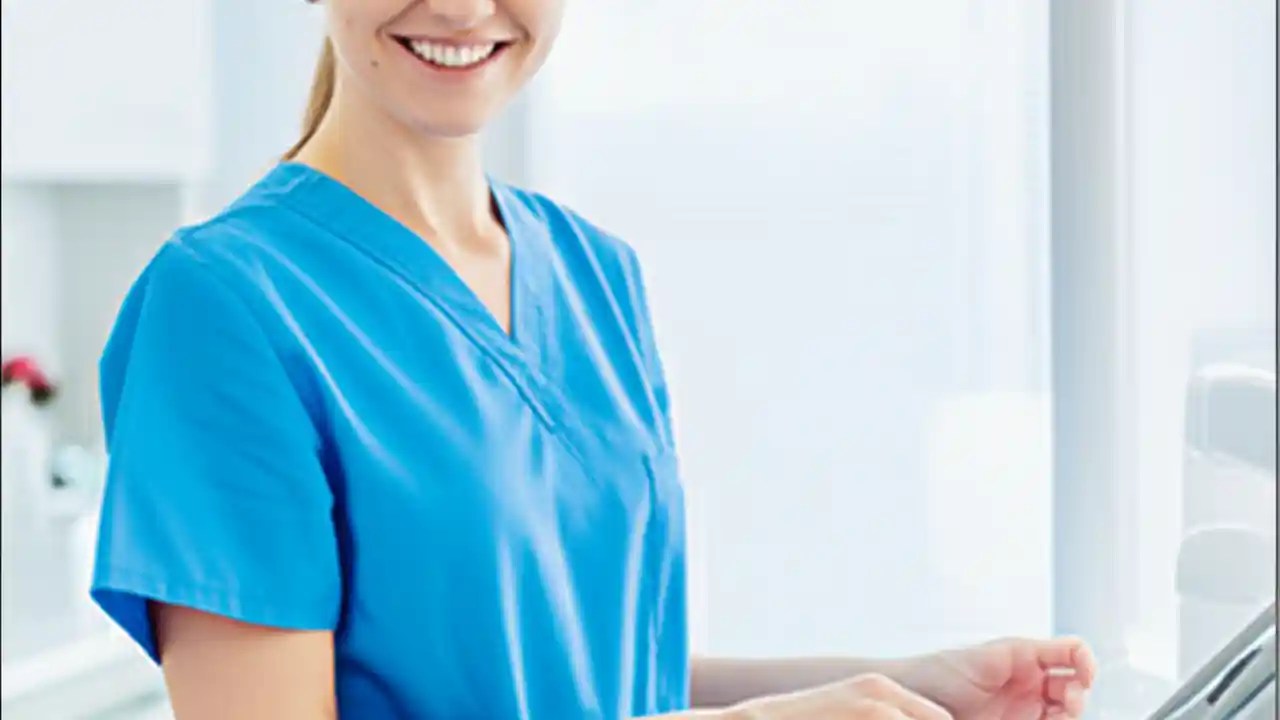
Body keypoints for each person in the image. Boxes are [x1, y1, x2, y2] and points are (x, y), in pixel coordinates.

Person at [89, 1, 1097, 718]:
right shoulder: (223, 303)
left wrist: (902, 685)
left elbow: (604, 681)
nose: (459, 5)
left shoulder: (593, 273)